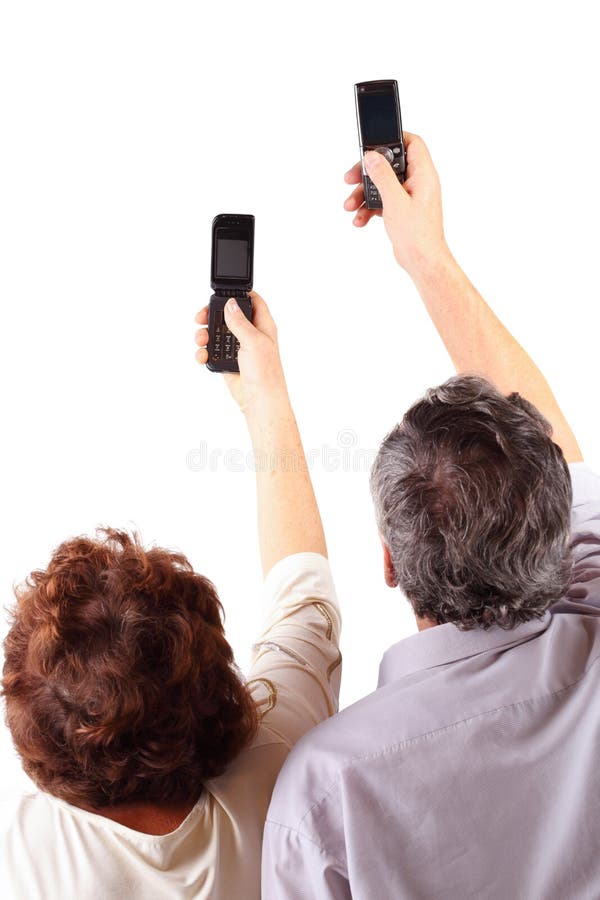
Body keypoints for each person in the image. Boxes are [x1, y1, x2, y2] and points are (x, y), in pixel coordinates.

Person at [261, 135, 600, 898]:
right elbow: (567, 459)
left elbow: (566, 468)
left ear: (388, 561)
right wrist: (426, 255)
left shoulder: (325, 789)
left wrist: (265, 391)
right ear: (557, 531)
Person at [1, 294, 341, 899]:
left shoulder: (22, 852)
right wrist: (263, 396)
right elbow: (304, 595)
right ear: (213, 692)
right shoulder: (275, 769)